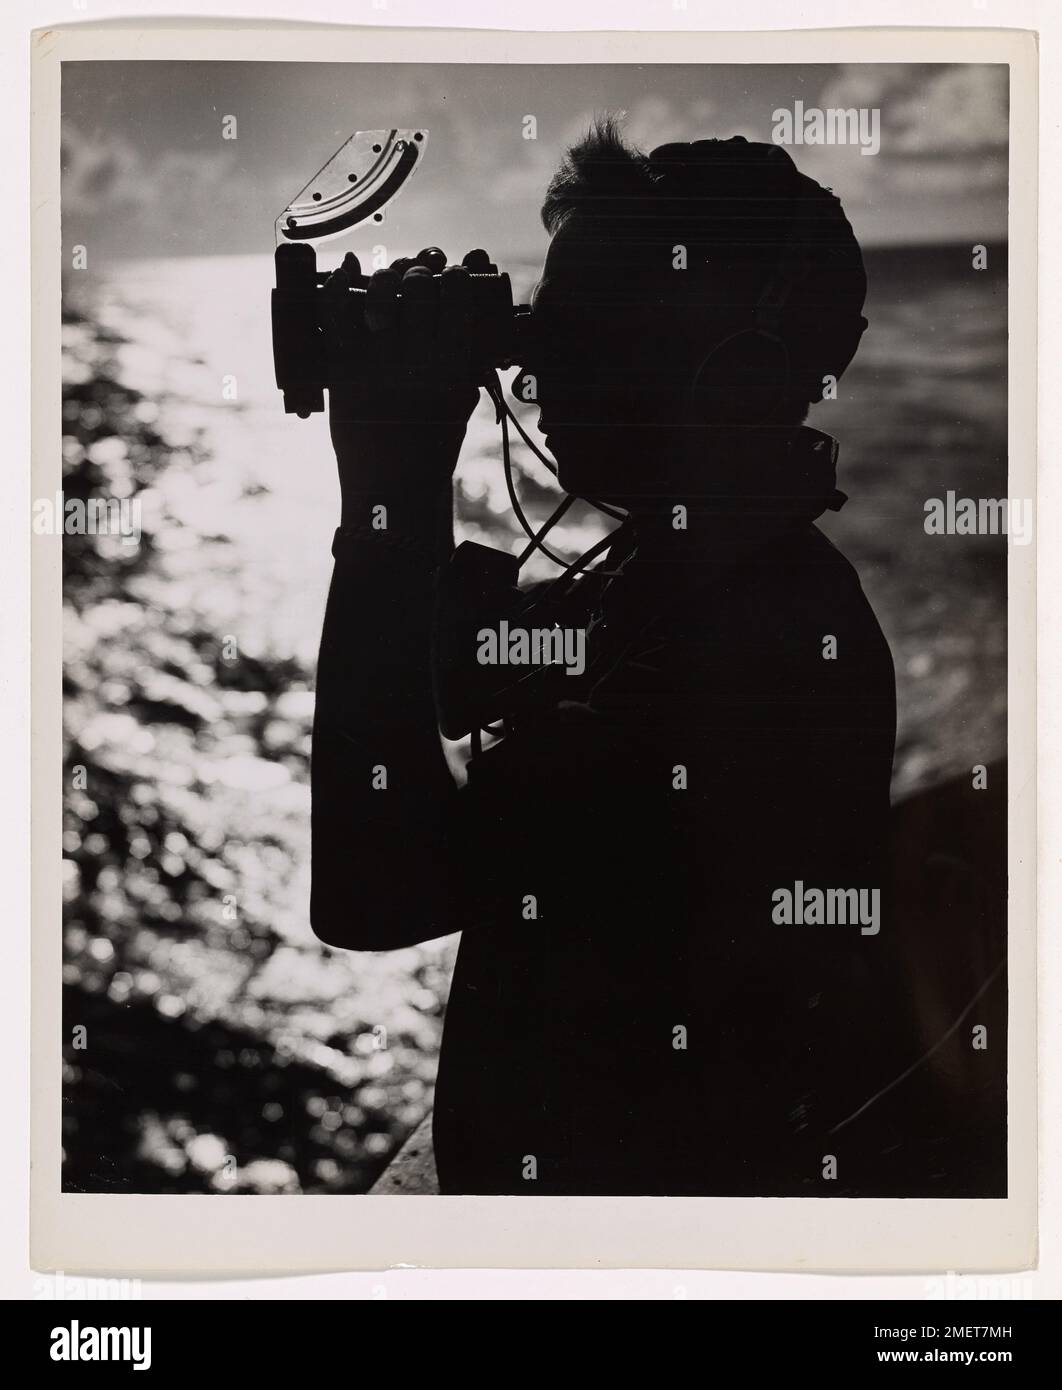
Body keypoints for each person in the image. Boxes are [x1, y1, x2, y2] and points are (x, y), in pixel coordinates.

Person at [310, 122, 907, 1195]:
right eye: (544, 319)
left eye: (589, 327)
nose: (535, 354)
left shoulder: (753, 652)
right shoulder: (696, 571)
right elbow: (482, 666)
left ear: (737, 375)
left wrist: (389, 505)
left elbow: (375, 891)